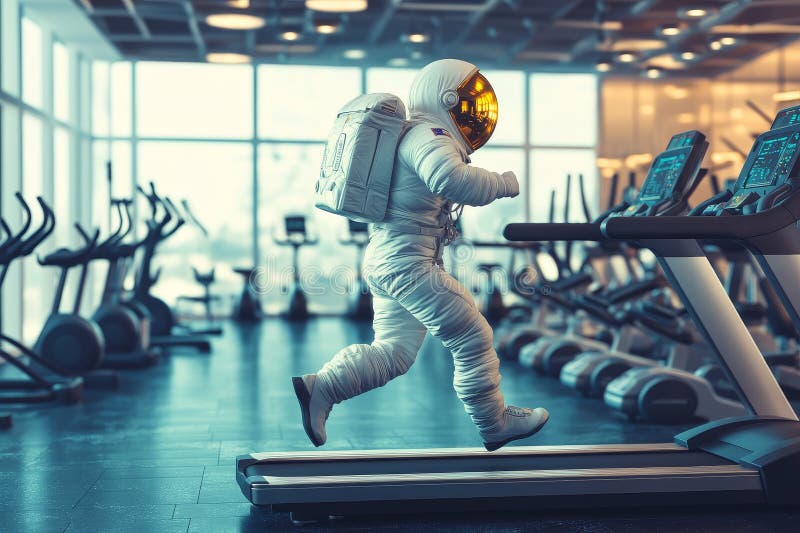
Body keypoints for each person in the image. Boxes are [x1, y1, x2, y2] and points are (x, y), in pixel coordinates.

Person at [293, 58, 549, 452]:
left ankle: (322, 388)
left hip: (390, 260)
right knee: (472, 334)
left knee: (393, 352)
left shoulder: (416, 135)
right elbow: (449, 179)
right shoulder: (429, 135)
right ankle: (494, 423)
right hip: (408, 264)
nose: (475, 114)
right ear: (445, 97)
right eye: (468, 103)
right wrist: (503, 183)